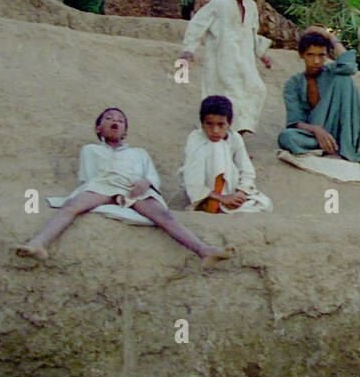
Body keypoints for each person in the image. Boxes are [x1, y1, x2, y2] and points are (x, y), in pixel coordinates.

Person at [15, 108, 233, 263]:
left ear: (125, 131)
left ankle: (204, 250)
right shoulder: (90, 150)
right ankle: (39, 243)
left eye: (119, 119)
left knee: (164, 217)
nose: (114, 121)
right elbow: (87, 178)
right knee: (72, 205)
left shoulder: (138, 153)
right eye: (108, 118)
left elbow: (152, 177)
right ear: (98, 128)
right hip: (104, 184)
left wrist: (144, 183)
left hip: (133, 188)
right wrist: (105, 195)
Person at [178, 0, 273, 134]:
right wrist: (188, 49)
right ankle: (226, 136)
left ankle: (239, 133)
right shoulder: (219, 4)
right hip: (223, 61)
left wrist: (262, 54)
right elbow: (198, 24)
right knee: (229, 97)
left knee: (257, 90)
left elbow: (252, 32)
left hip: (245, 63)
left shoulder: (251, 6)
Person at [278, 26, 360, 165]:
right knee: (286, 137)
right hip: (313, 136)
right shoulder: (293, 83)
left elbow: (350, 66)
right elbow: (295, 122)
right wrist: (316, 130)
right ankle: (325, 149)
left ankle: (345, 148)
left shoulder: (333, 72)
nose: (316, 61)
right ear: (301, 55)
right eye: (310, 55)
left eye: (321, 55)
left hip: (339, 133)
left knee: (344, 79)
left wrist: (331, 38)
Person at [181, 96, 273, 213]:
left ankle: (223, 206)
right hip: (205, 192)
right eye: (209, 124)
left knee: (264, 204)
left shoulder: (235, 138)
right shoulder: (196, 139)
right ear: (202, 124)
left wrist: (240, 193)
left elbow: (247, 171)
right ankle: (214, 204)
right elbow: (193, 181)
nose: (215, 130)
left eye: (221, 125)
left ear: (229, 124)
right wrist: (222, 198)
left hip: (230, 191)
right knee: (217, 146)